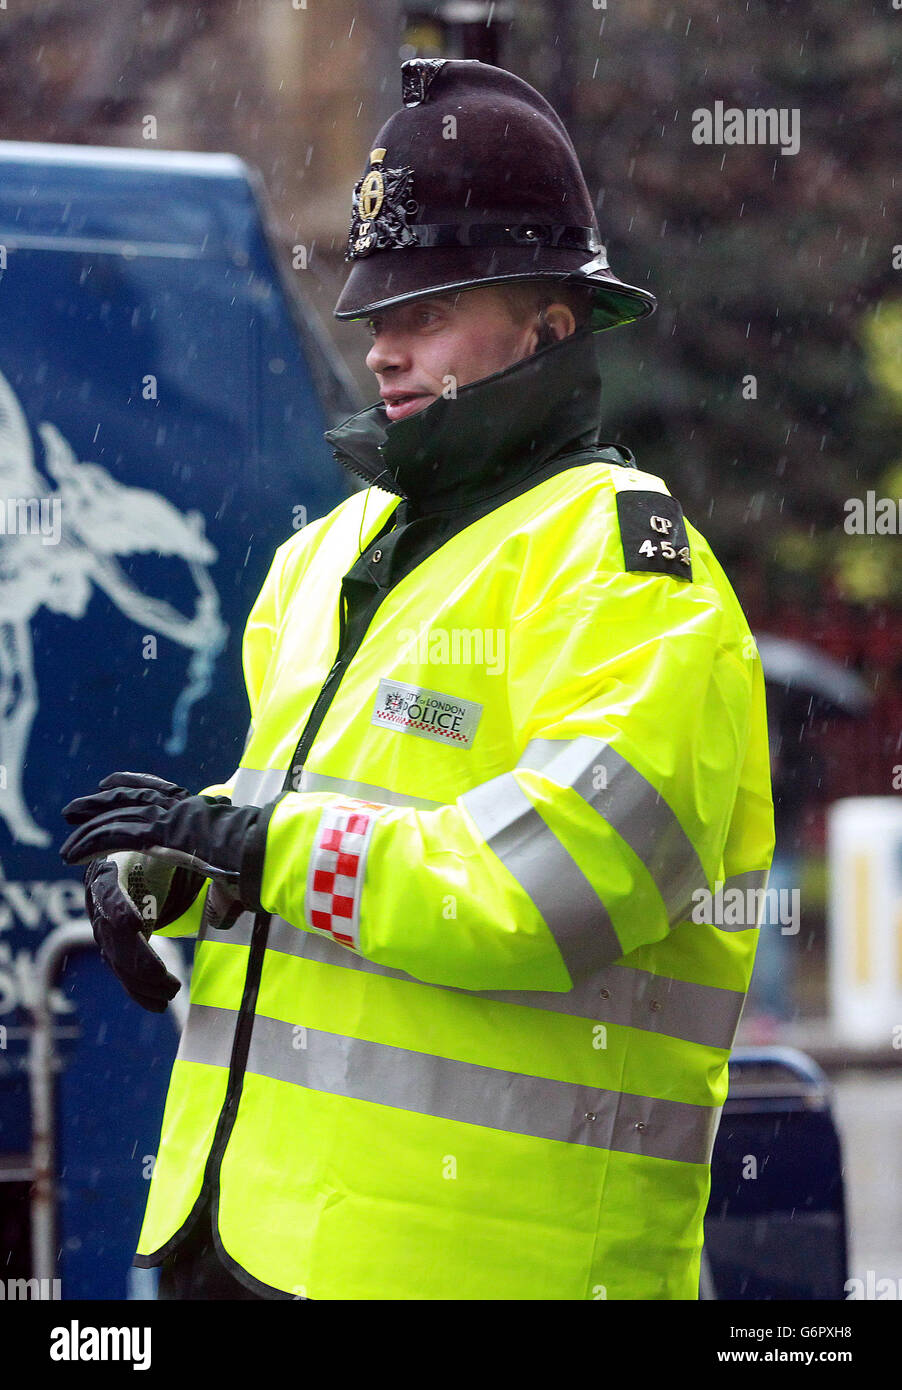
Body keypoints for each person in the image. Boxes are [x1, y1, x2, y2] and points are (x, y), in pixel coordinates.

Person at [60, 58, 774, 1301]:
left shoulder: (626, 573)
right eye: (375, 318)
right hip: (238, 1239)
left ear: (549, 326)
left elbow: (550, 885)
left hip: (478, 1268)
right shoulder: (326, 553)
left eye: (427, 313)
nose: (384, 351)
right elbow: (299, 825)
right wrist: (175, 872)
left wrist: (258, 845)